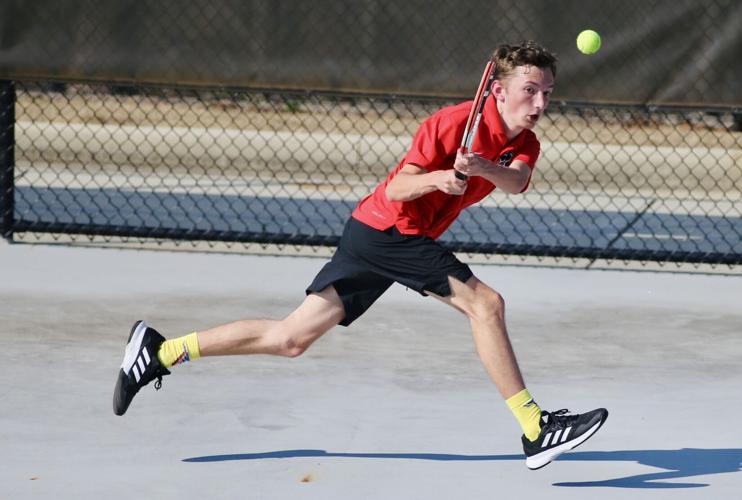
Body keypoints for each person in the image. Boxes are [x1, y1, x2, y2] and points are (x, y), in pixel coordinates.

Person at [113, 40, 607, 470]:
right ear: (497, 91)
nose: (539, 102)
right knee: (486, 305)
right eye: (530, 90)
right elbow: (398, 189)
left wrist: (478, 165)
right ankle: (534, 427)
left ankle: (158, 352)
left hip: (372, 234)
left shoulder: (526, 142)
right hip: (390, 230)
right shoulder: (449, 123)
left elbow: (517, 180)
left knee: (290, 338)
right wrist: (439, 177)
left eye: (547, 93)